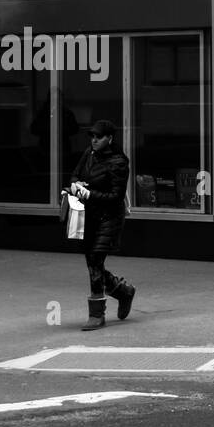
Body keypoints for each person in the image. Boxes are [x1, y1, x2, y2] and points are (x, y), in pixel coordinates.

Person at [68, 119, 136, 331]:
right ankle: (123, 291)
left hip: (109, 217)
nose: (94, 140)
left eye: (99, 137)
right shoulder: (89, 153)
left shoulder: (119, 162)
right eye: (92, 136)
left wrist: (88, 193)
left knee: (96, 259)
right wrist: (74, 185)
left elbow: (116, 196)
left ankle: (97, 315)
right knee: (91, 260)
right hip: (88, 216)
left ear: (110, 138)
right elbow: (76, 174)